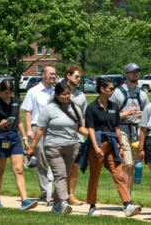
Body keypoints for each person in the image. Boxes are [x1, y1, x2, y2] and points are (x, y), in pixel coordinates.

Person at [81, 77, 142, 217]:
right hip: (98, 144)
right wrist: (96, 148)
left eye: (113, 89)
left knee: (119, 174)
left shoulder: (114, 106)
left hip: (112, 144)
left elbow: (117, 128)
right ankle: (92, 207)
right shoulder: (91, 108)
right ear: (102, 89)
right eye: (110, 89)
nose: (112, 91)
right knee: (94, 176)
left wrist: (120, 146)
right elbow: (90, 129)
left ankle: (127, 205)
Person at [27, 83, 85, 214]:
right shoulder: (49, 109)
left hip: (72, 146)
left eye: (68, 93)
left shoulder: (75, 108)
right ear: (57, 95)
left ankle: (56, 206)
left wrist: (92, 135)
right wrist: (32, 147)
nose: (67, 96)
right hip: (53, 146)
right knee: (60, 175)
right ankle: (64, 202)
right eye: (64, 94)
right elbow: (40, 129)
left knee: (64, 175)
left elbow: (80, 128)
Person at [0, 79, 38, 210]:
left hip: (14, 138)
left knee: (19, 170)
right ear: (0, 91)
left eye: (10, 93)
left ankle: (24, 201)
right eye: (5, 93)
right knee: (0, 171)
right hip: (0, 138)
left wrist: (24, 138)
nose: (8, 95)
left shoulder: (16, 102)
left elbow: (19, 121)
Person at [21, 66, 59, 202]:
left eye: (55, 74)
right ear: (43, 74)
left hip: (54, 128)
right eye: (51, 73)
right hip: (37, 127)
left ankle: (57, 192)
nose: (53, 76)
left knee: (56, 160)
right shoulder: (33, 91)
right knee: (41, 159)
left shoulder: (57, 92)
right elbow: (27, 111)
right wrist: (29, 129)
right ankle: (45, 192)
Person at [111, 63, 147, 192]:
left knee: (133, 166)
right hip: (122, 130)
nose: (135, 74)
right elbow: (110, 116)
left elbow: (149, 116)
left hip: (136, 131)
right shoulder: (117, 94)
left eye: (137, 71)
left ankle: (128, 196)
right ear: (125, 75)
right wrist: (127, 113)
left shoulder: (142, 94)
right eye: (132, 72)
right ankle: (126, 198)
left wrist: (143, 116)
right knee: (127, 165)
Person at [62, 65, 89, 206]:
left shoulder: (81, 95)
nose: (78, 79)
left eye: (80, 77)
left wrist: (84, 133)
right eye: (76, 76)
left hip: (77, 136)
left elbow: (83, 117)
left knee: (74, 166)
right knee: (60, 167)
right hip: (60, 135)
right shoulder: (58, 92)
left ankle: (71, 194)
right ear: (68, 75)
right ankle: (60, 195)